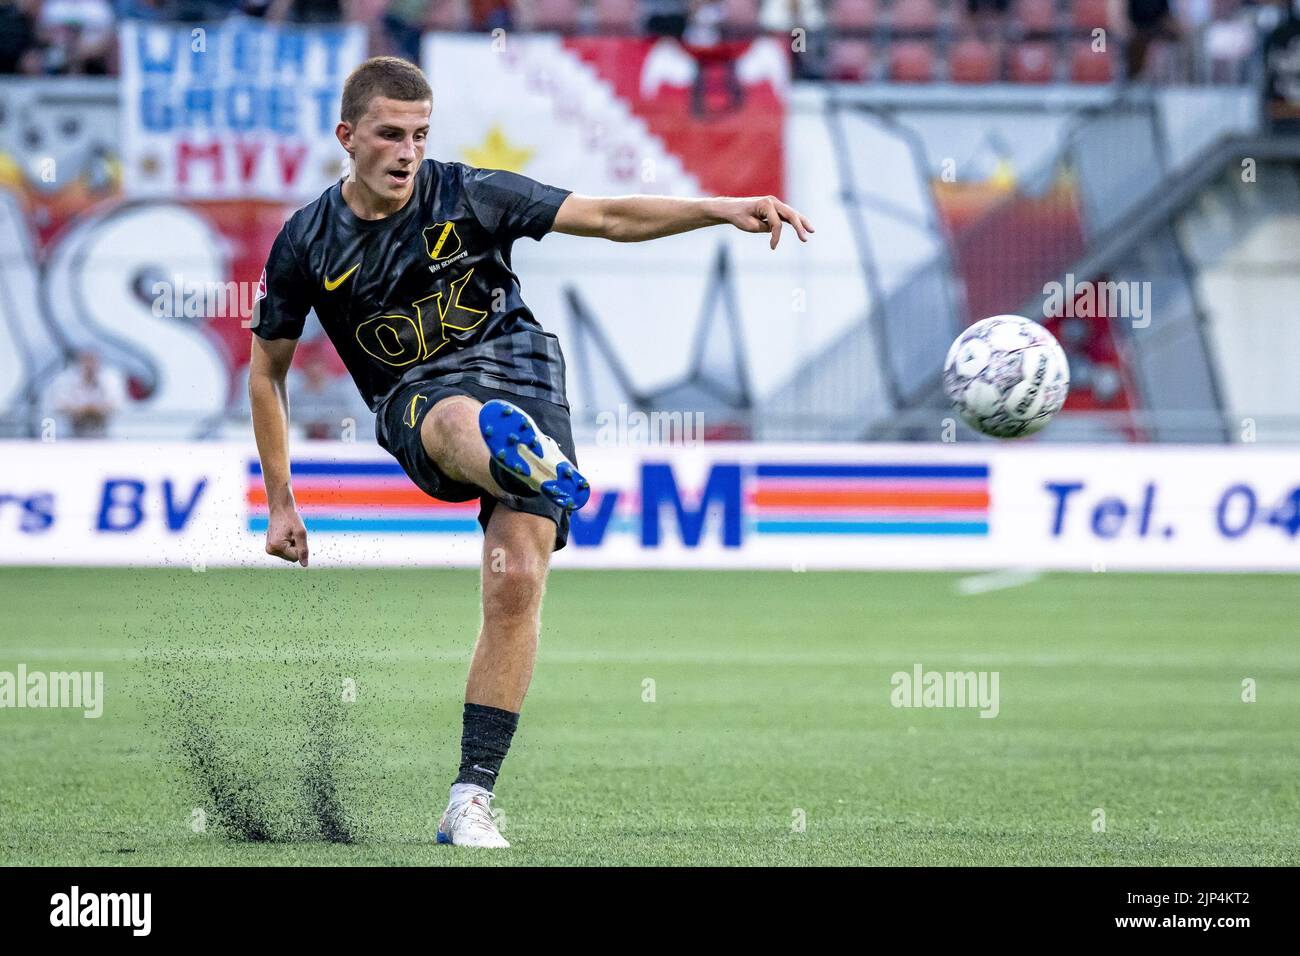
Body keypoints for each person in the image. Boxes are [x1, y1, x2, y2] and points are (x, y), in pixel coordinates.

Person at [247, 55, 813, 848]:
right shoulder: (305, 242)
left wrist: (720, 208)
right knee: (452, 419)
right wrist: (280, 500)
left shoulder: (469, 191)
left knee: (517, 586)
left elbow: (610, 217)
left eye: (419, 134)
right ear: (348, 137)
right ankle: (518, 460)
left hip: (523, 372)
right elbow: (266, 373)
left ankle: (468, 800)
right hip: (417, 395)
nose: (407, 151)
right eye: (389, 135)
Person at [49, 350, 126, 438]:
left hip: (103, 432)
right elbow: (58, 404)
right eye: (86, 361)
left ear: (99, 362)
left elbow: (117, 404)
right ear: (79, 363)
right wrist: (84, 410)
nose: (89, 365)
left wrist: (90, 409)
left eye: (92, 361)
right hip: (73, 432)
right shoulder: (66, 379)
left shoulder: (110, 379)